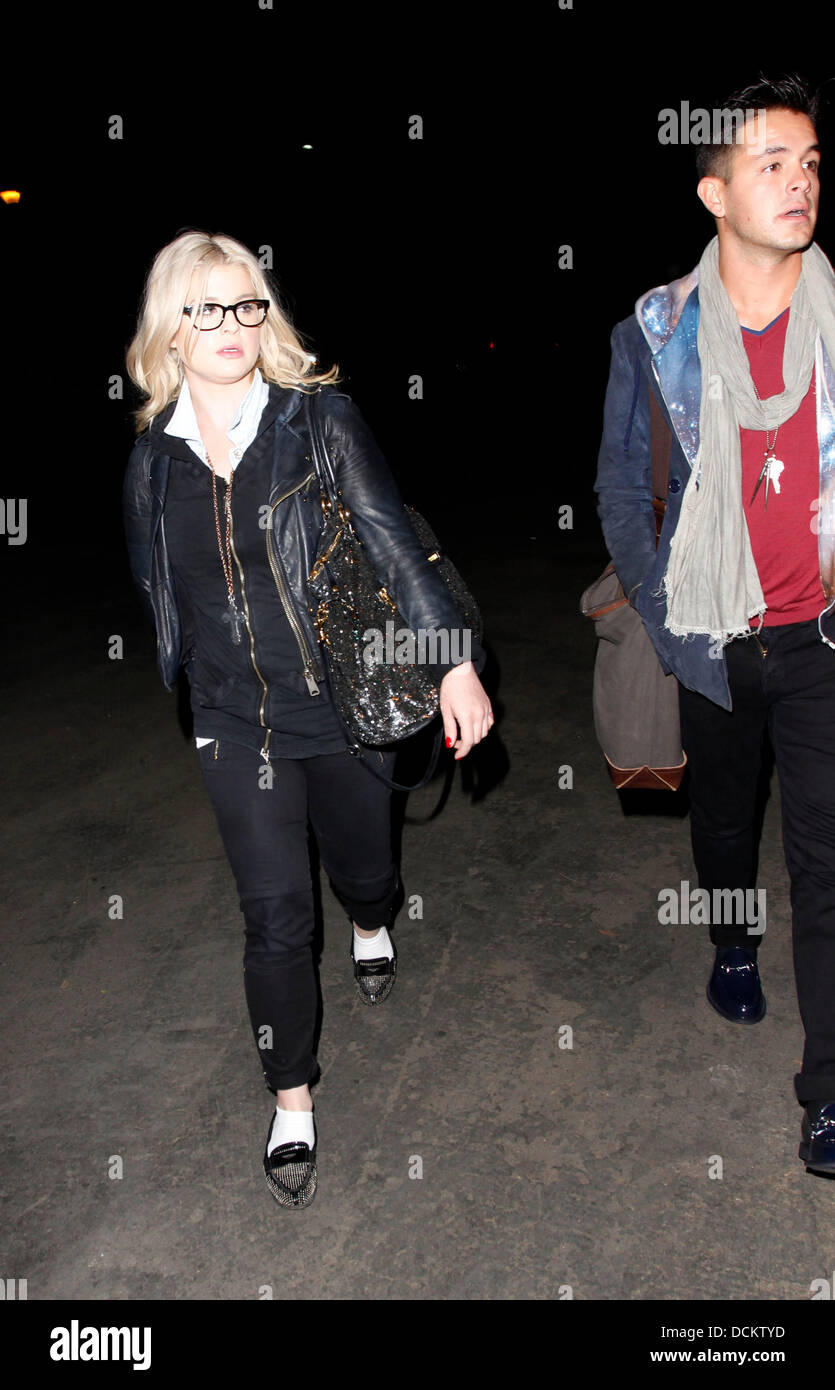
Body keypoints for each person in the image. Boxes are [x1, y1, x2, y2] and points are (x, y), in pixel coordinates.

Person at [123, 230, 493, 1208]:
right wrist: (194, 692)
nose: (231, 325)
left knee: (362, 869)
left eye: (247, 304)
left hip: (339, 707)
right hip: (233, 724)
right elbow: (162, 592)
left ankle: (371, 919)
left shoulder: (319, 420)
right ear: (171, 328)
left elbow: (392, 539)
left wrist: (451, 662)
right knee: (275, 914)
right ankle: (292, 1099)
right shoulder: (151, 463)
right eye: (206, 308)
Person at [594, 74, 835, 1176]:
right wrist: (672, 625)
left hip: (822, 636)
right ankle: (732, 938)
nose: (799, 182)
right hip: (715, 639)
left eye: (810, 163)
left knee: (825, 861)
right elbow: (618, 492)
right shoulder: (657, 333)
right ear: (714, 192)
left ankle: (825, 1090)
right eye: (770, 163)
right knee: (726, 825)